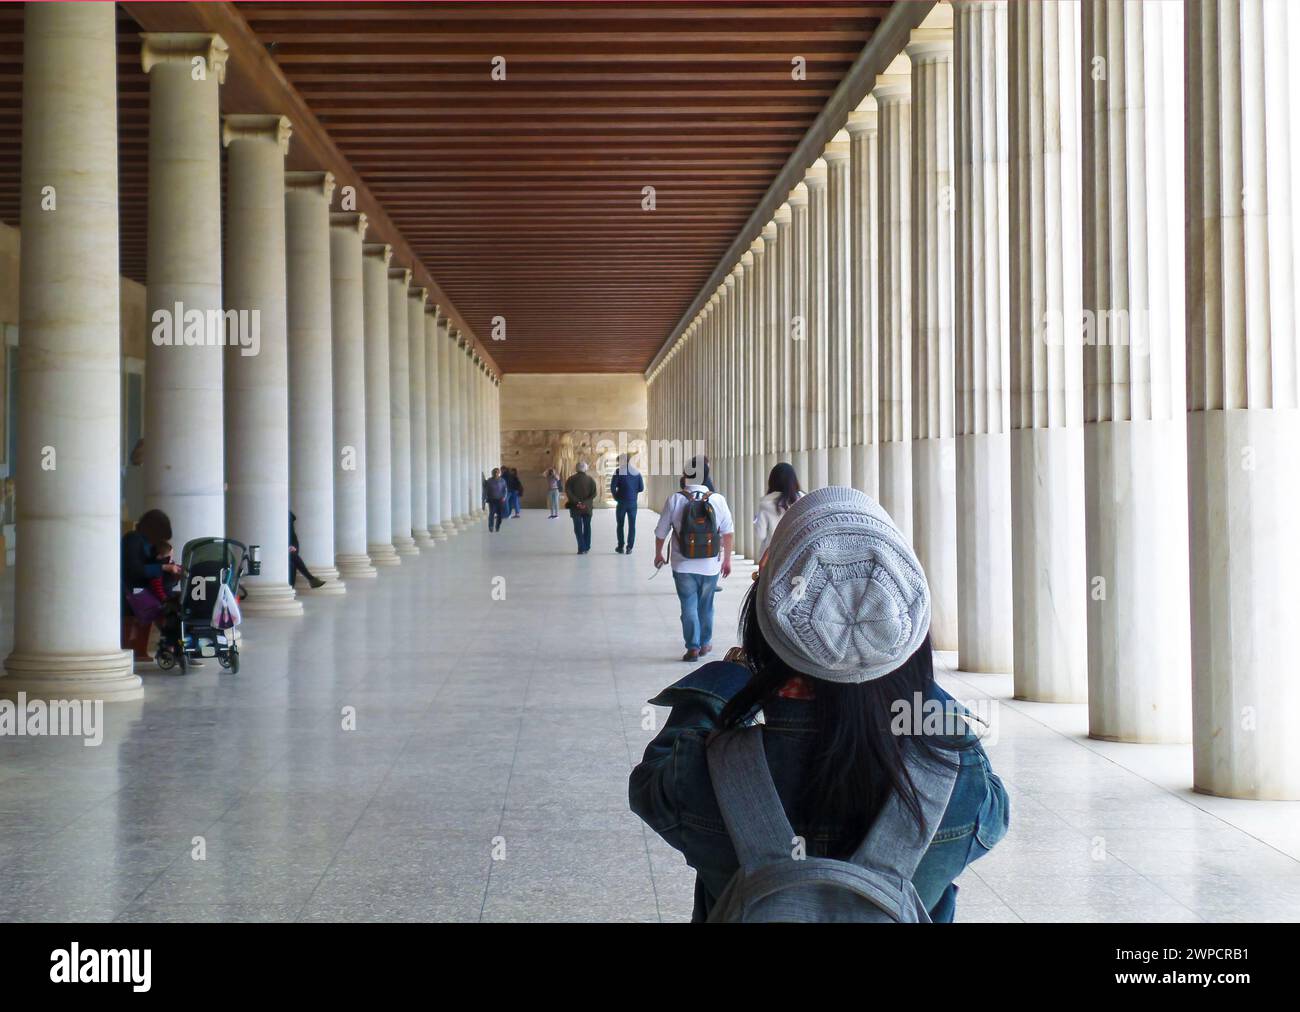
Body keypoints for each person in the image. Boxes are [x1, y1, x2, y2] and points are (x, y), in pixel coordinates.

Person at [630, 487, 1010, 922]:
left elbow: (652, 780)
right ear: (908, 632)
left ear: (766, 621)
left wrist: (735, 670)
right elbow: (966, 757)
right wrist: (912, 679)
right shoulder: (960, 784)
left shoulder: (701, 775)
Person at [654, 456, 733, 661]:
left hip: (683, 564)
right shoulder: (717, 499)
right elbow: (727, 533)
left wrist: (658, 553)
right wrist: (726, 560)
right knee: (706, 605)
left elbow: (661, 532)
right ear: (707, 475)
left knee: (688, 605)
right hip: (711, 565)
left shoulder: (675, 499)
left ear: (686, 475)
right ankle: (706, 643)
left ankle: (693, 647)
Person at [120, 509, 180, 664]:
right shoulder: (133, 540)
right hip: (132, 592)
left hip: (143, 592)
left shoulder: (146, 543)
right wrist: (163, 568)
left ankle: (166, 647)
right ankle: (139, 650)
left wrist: (171, 573)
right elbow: (133, 570)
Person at [753, 461, 803, 561]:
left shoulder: (765, 503)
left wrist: (755, 519)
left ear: (772, 481)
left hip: (772, 558)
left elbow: (760, 534)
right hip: (797, 555)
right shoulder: (803, 500)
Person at [610, 452, 644, 554]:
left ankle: (620, 546)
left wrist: (616, 497)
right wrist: (633, 493)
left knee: (620, 524)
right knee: (632, 525)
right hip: (633, 503)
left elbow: (612, 487)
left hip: (621, 502)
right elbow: (641, 488)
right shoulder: (637, 472)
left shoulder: (618, 472)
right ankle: (630, 547)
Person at [564, 460, 597, 554]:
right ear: (586, 469)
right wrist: (585, 503)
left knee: (578, 528)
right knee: (587, 527)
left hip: (575, 508)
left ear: (576, 468)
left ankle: (581, 547)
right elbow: (594, 494)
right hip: (587, 508)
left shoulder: (570, 479)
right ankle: (587, 546)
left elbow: (568, 492)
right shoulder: (591, 480)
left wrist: (577, 502)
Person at [288, 511, 327, 589]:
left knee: (293, 560)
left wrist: (293, 546)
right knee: (292, 561)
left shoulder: (288, 515)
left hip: (291, 546)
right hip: (282, 547)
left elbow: (292, 534)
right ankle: (311, 579)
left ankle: (310, 579)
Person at [484, 468, 508, 532]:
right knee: (491, 513)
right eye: (494, 472)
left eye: (497, 472)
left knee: (499, 514)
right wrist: (485, 498)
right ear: (492, 473)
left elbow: (505, 490)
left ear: (499, 473)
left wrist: (504, 498)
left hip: (500, 500)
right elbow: (486, 490)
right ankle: (491, 526)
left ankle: (497, 526)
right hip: (492, 499)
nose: (495, 473)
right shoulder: (489, 481)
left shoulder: (502, 481)